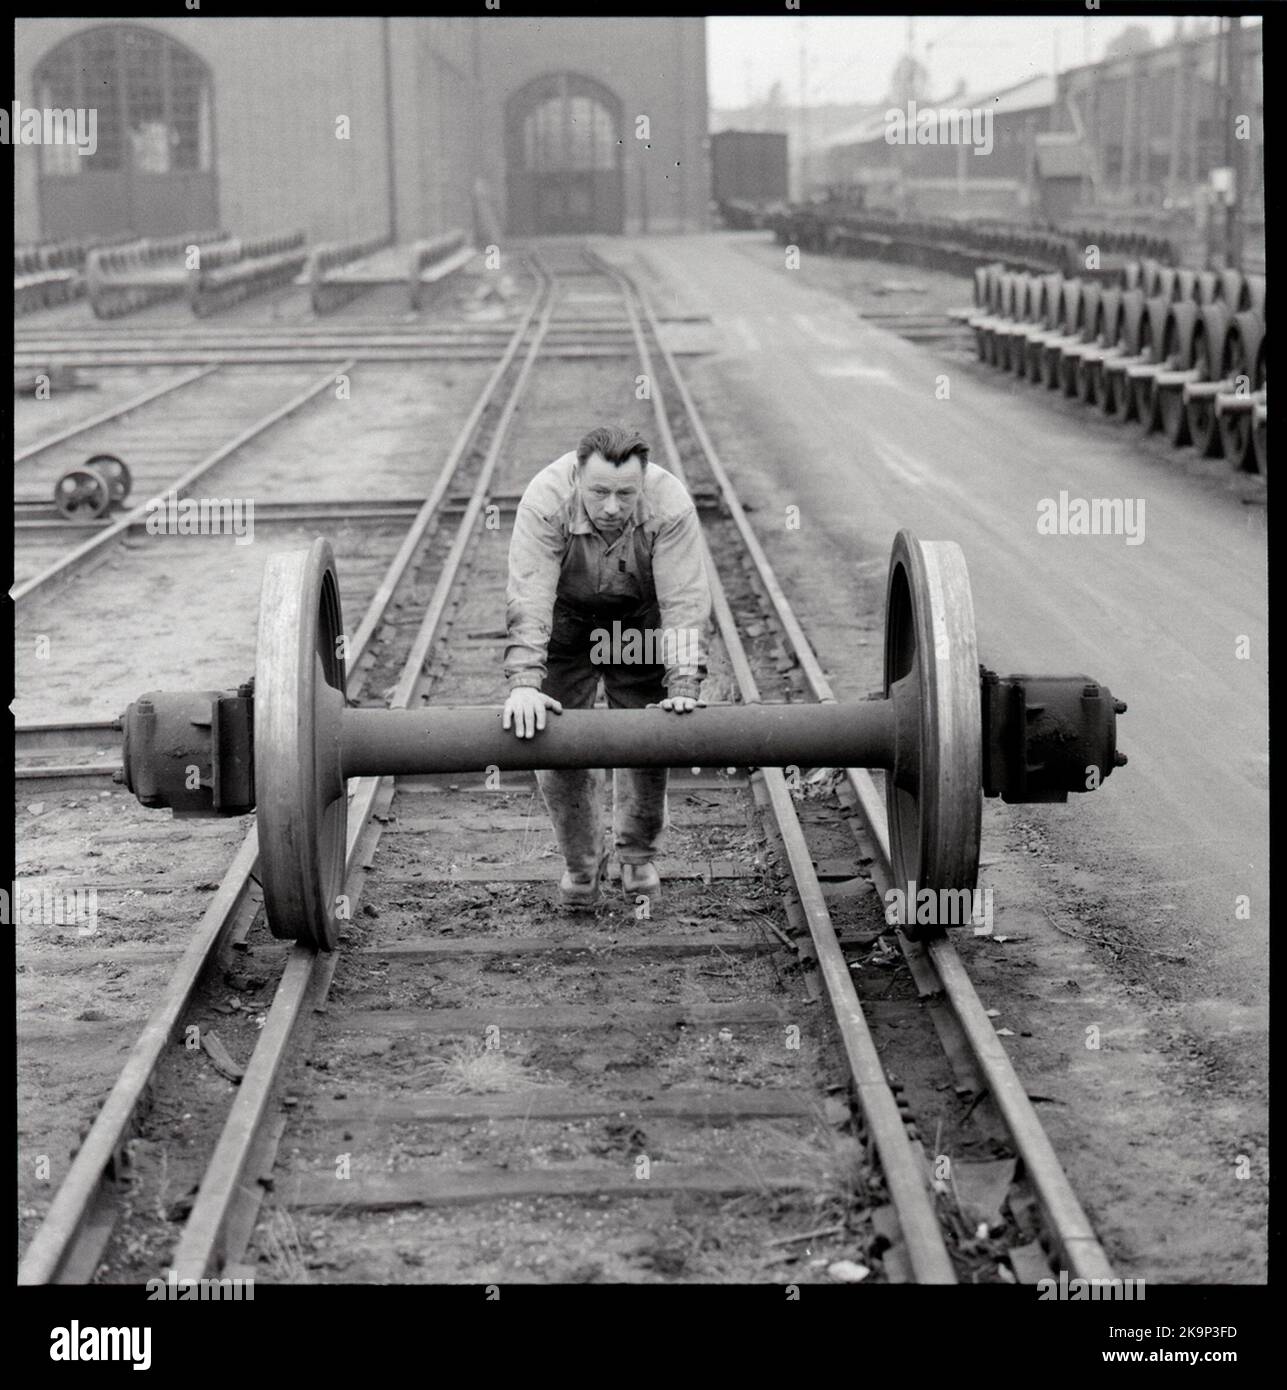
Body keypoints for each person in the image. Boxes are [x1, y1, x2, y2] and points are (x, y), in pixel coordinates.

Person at [502, 425, 712, 907]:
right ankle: (581, 864)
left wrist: (682, 681)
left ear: (643, 483)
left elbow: (684, 598)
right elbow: (529, 596)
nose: (613, 507)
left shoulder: (670, 503)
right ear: (577, 478)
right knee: (552, 735)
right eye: (599, 492)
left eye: (625, 494)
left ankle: (637, 856)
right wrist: (524, 684)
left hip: (637, 621)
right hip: (566, 621)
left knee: (650, 732)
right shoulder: (544, 501)